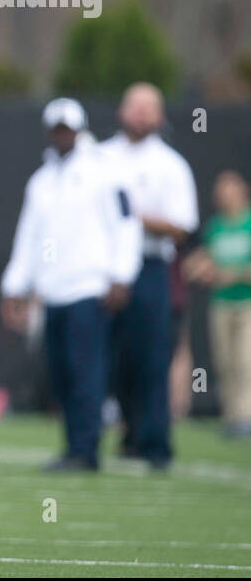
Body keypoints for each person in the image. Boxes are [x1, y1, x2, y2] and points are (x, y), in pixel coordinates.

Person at [0, 99, 142, 471]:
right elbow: (29, 236)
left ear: (79, 130)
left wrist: (121, 275)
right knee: (61, 374)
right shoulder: (42, 180)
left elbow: (127, 225)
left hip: (88, 287)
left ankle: (86, 448)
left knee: (86, 372)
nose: (62, 135)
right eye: (57, 129)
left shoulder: (104, 172)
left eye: (68, 129)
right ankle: (73, 445)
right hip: (52, 290)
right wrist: (15, 284)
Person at [99, 82, 198, 469]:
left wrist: (133, 218)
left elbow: (182, 227)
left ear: (160, 116)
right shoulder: (100, 158)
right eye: (134, 106)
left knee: (152, 357)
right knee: (111, 356)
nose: (140, 114)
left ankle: (155, 443)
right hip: (105, 267)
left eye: (149, 108)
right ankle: (126, 435)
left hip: (148, 267)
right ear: (122, 111)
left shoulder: (170, 165)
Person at [183, 170, 251, 437]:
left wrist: (230, 273)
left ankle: (246, 417)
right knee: (225, 363)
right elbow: (198, 262)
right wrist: (200, 268)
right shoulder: (216, 226)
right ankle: (232, 416)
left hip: (246, 303)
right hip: (221, 304)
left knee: (246, 361)